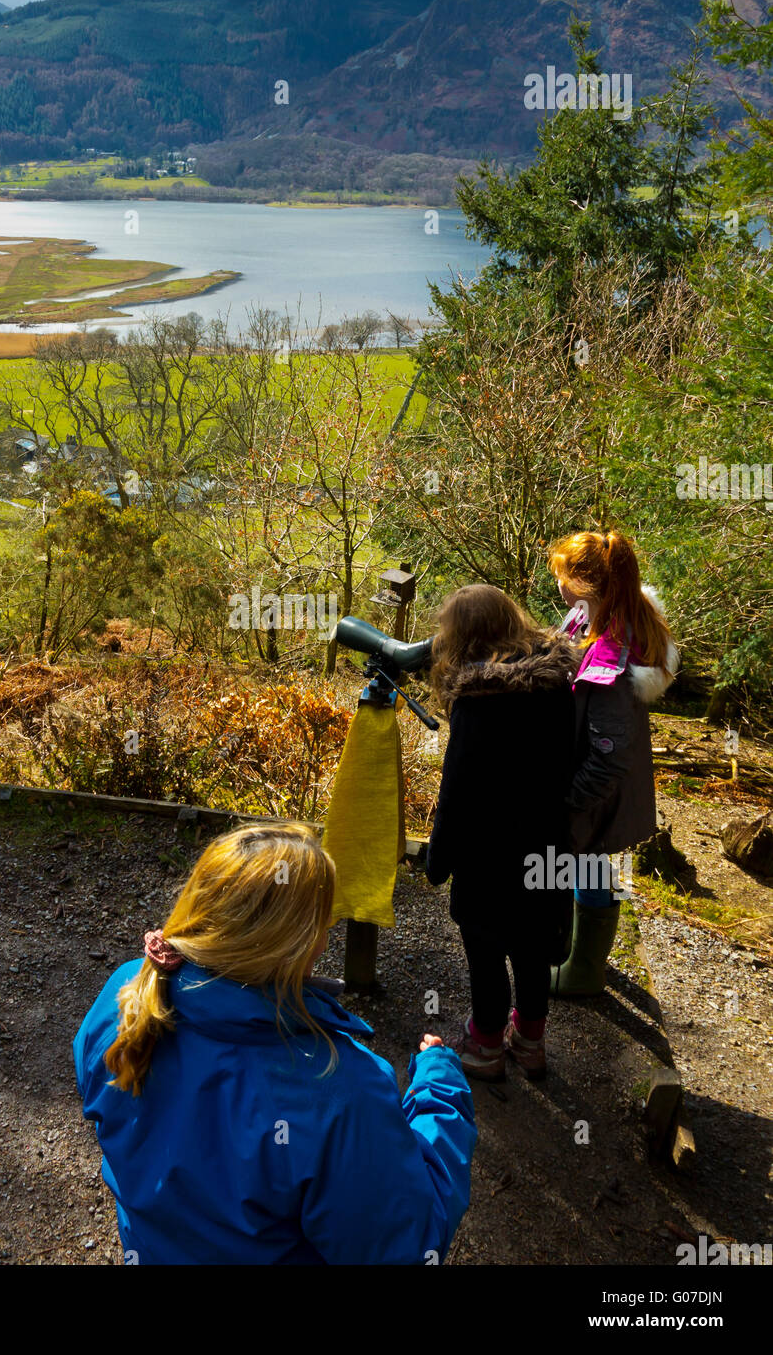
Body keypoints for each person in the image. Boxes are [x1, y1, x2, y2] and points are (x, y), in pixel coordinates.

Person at [73, 822, 476, 1264]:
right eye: (324, 923)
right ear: (302, 944)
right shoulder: (338, 1090)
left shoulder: (128, 995)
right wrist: (439, 1088)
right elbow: (409, 1244)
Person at [426, 585, 579, 1082]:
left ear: (462, 635)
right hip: (548, 845)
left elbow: (457, 791)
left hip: (487, 855)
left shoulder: (476, 700)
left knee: (487, 953)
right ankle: (531, 1042)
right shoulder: (559, 685)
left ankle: (486, 1045)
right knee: (535, 946)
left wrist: (439, 858)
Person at [548, 530, 680, 995]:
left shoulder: (614, 660)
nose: (558, 584)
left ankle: (584, 970)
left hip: (592, 789)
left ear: (586, 583)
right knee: (589, 860)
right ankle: (581, 956)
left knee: (586, 860)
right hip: (586, 775)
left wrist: (567, 803)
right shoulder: (594, 614)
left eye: (563, 575)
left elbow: (609, 758)